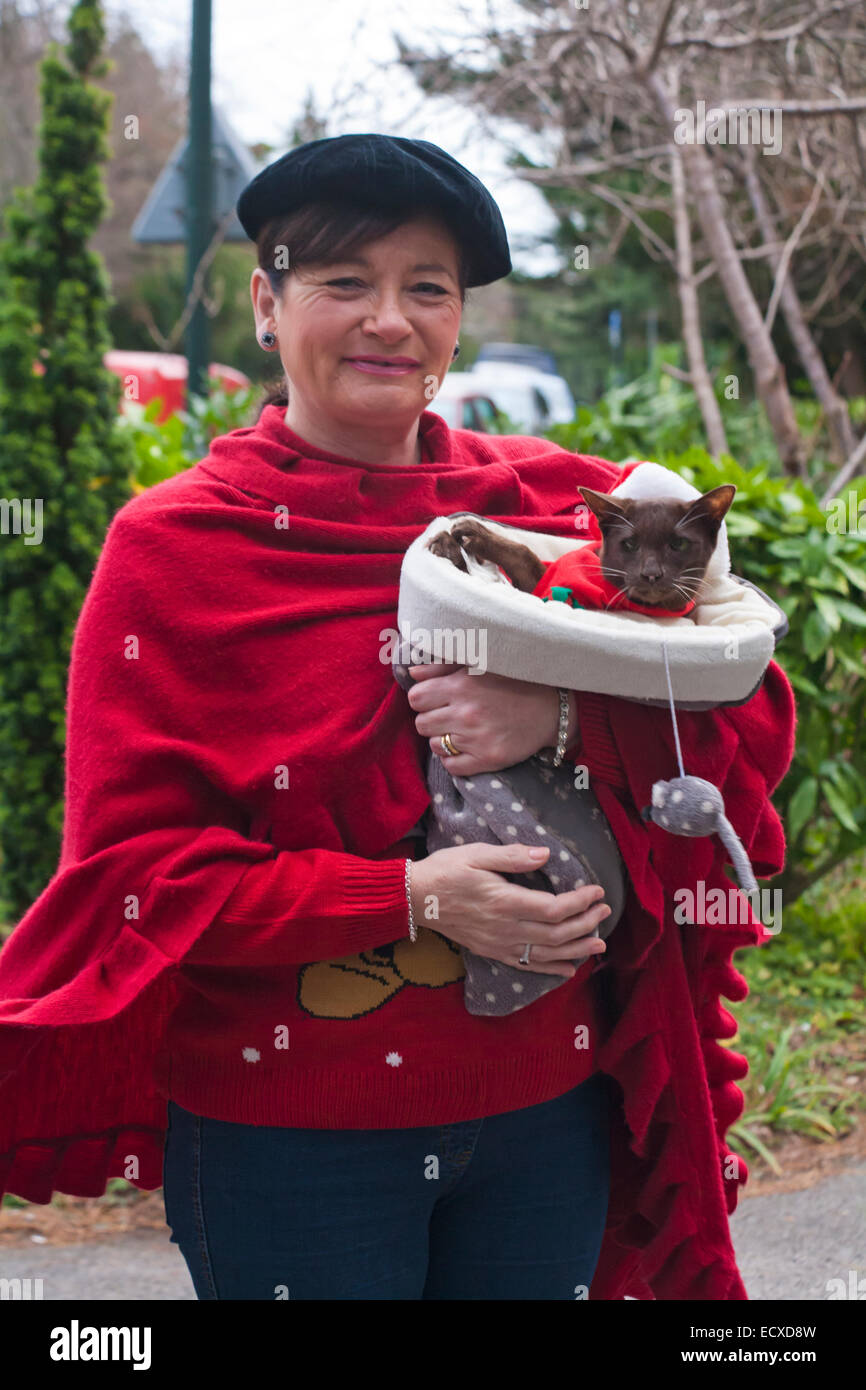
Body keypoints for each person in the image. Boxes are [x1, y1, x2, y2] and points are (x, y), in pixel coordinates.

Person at [0, 134, 795, 1301]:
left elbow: (747, 708)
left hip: (551, 1117)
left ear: (456, 324)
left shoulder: (551, 511)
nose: (388, 319)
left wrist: (560, 715)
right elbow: (137, 878)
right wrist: (412, 897)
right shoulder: (175, 552)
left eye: (426, 287)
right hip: (289, 1140)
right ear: (265, 306)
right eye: (341, 283)